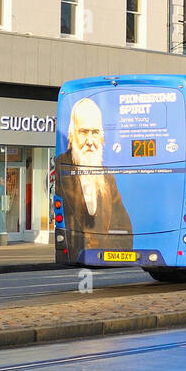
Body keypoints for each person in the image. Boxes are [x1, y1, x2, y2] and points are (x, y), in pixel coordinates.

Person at [55, 97, 134, 254]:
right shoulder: (62, 167)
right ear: (72, 135)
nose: (90, 141)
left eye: (95, 132)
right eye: (84, 132)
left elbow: (124, 229)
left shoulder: (107, 177)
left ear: (102, 136)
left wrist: (107, 255)